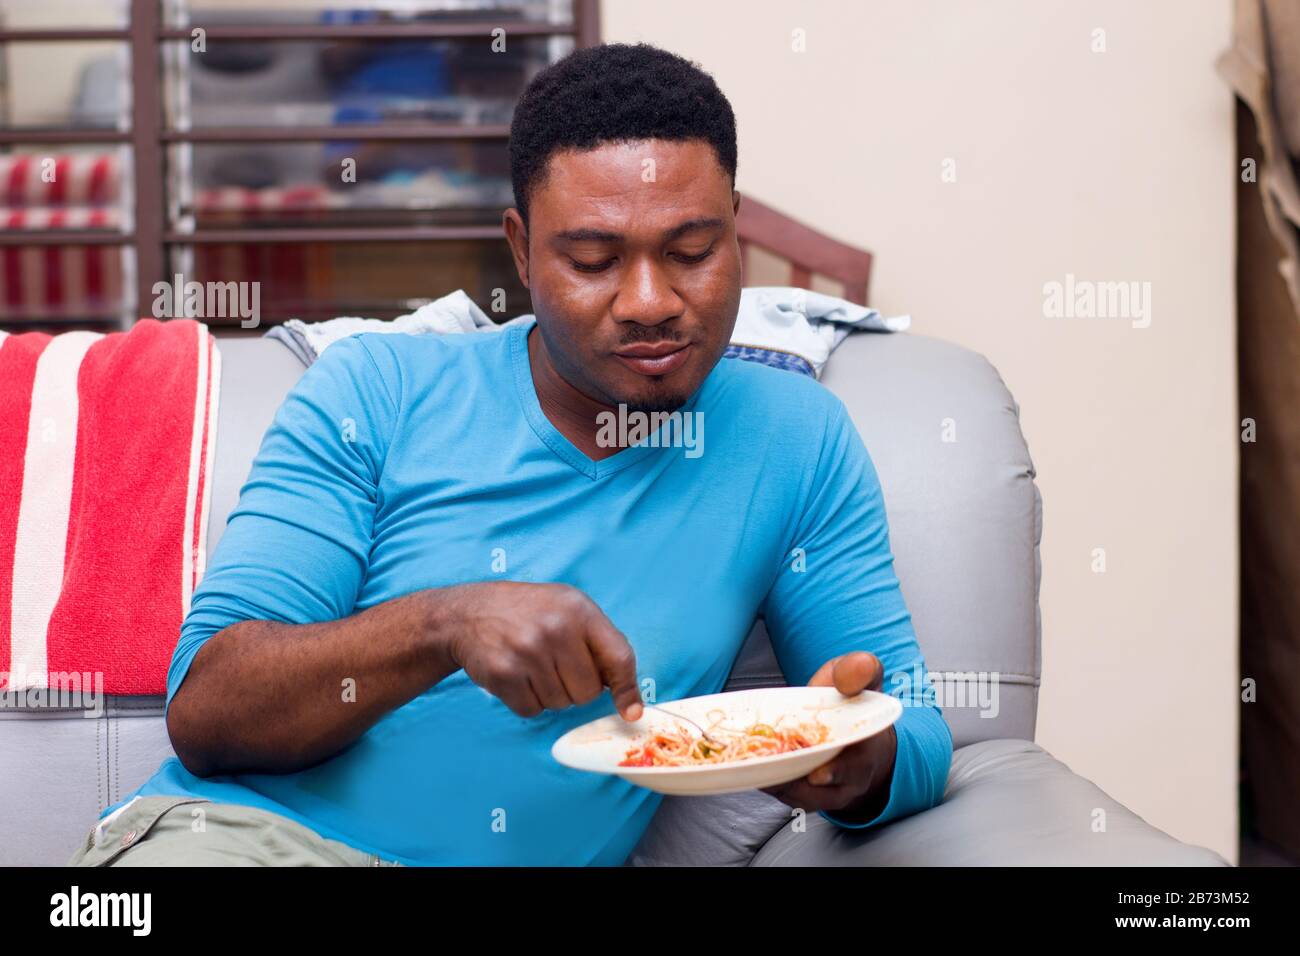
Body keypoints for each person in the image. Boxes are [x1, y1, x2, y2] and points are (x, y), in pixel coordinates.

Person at [70, 41, 952, 867]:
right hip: (251, 842)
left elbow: (912, 726)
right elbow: (211, 710)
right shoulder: (376, 389)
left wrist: (858, 760)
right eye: (596, 260)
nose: (650, 301)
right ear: (524, 251)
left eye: (691, 251)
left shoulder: (793, 437)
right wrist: (444, 623)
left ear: (734, 237)